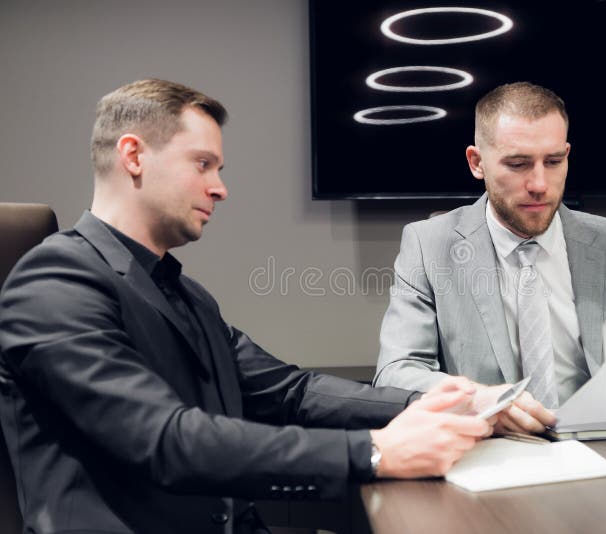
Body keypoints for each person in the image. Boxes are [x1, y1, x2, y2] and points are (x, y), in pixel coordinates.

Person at [0, 79, 495, 534]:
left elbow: (290, 391)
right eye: (202, 163)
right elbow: (166, 441)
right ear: (133, 155)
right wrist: (372, 452)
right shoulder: (52, 282)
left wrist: (436, 403)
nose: (220, 187)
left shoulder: (187, 295)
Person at [374, 82, 606, 431]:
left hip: (605, 442)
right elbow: (396, 372)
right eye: (518, 164)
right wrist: (480, 399)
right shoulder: (427, 244)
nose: (540, 183)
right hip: (492, 447)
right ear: (477, 163)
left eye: (554, 161)